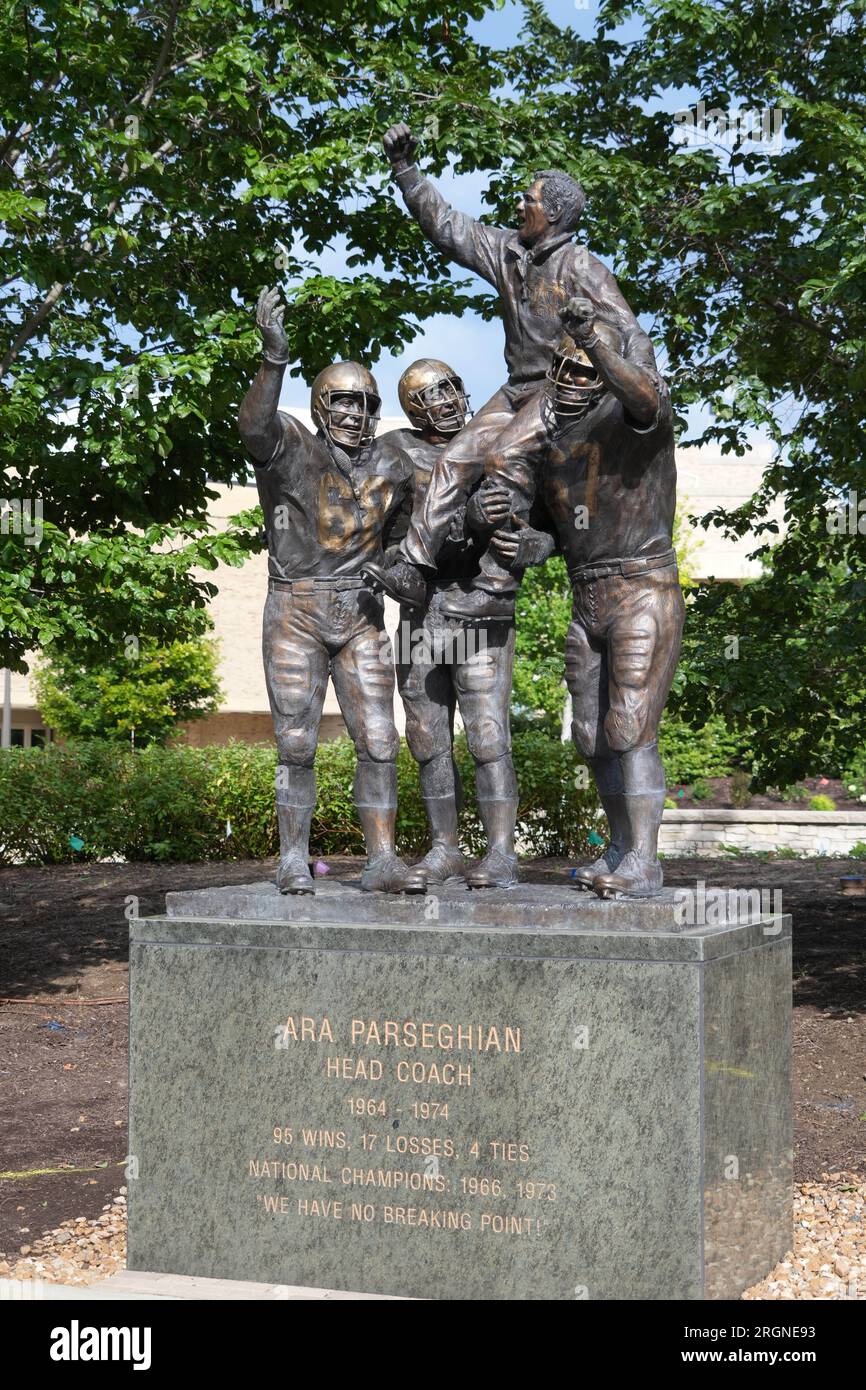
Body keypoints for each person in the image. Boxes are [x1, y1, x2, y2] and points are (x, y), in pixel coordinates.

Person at [363, 120, 659, 623]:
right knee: (453, 461)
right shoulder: (507, 252)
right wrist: (406, 170)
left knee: (504, 458)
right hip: (515, 390)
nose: (519, 206)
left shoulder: (583, 268)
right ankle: (413, 567)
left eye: (530, 200)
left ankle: (498, 583)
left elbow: (631, 332)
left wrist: (647, 389)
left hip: (557, 389)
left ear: (556, 214)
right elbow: (449, 228)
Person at [489, 294, 684, 897]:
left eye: (587, 372)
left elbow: (647, 398)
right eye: (565, 368)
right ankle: (621, 846)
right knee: (592, 735)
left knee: (631, 727)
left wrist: (597, 341)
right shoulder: (550, 442)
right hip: (586, 596)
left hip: (641, 587)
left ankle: (645, 861)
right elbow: (558, 532)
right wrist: (524, 542)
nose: (574, 380)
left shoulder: (634, 422)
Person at [238, 286, 425, 896]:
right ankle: (294, 858)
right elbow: (254, 426)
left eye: (367, 404)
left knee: (379, 738)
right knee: (296, 741)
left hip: (362, 612)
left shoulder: (392, 463)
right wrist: (273, 360)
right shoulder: (293, 444)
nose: (356, 413)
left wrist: (398, 573)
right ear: (321, 407)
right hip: (295, 607)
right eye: (343, 402)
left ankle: (383, 859)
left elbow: (403, 543)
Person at [384, 358, 536, 888]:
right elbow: (379, 537)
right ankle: (444, 847)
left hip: (479, 608)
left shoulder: (498, 443)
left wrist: (529, 544)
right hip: (420, 612)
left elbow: (544, 528)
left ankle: (500, 852)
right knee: (427, 739)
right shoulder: (396, 453)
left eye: (451, 387)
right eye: (432, 394)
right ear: (413, 408)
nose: (447, 400)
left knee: (488, 736)